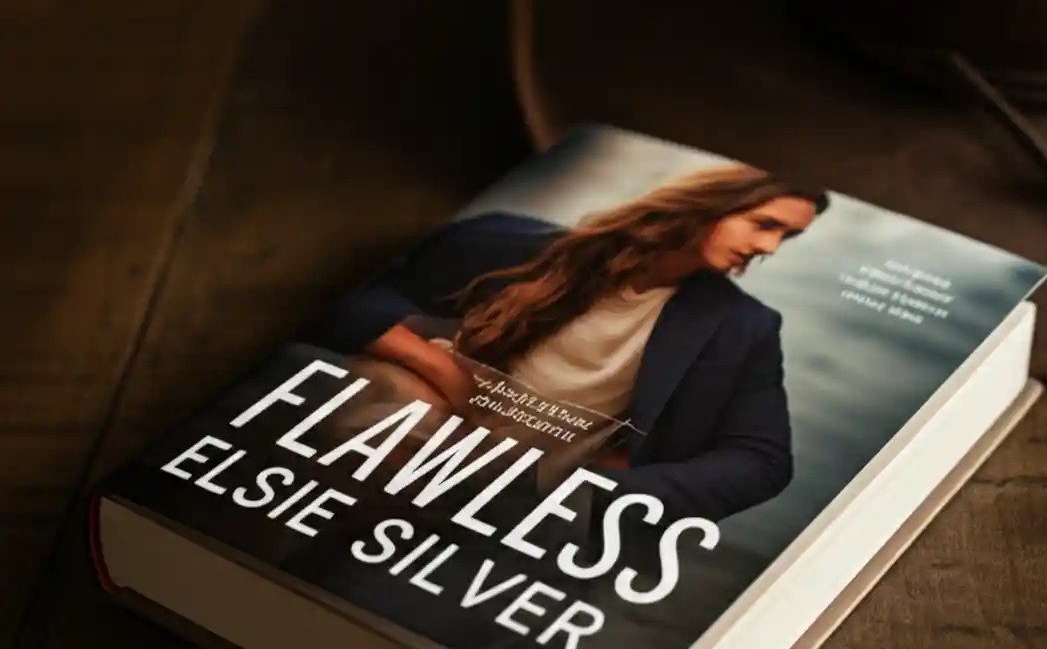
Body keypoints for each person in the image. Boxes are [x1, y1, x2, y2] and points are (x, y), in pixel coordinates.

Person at [309, 164, 828, 523]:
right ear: (711, 203)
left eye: (786, 237)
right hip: (396, 442)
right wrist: (433, 366)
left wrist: (600, 494)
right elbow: (338, 292)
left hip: (517, 499)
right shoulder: (511, 242)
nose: (768, 248)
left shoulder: (743, 326)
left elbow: (760, 461)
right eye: (765, 225)